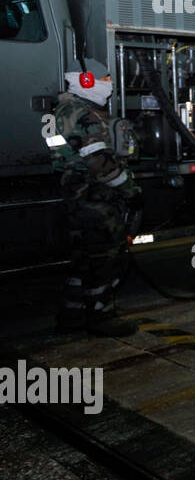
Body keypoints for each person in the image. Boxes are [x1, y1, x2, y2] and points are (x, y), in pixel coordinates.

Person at [46, 59, 139, 336]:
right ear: (85, 81)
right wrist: (129, 189)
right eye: (105, 80)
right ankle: (101, 316)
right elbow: (97, 161)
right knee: (105, 255)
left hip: (74, 191)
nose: (108, 85)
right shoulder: (83, 114)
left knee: (83, 255)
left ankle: (72, 313)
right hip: (93, 195)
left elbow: (65, 156)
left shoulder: (60, 110)